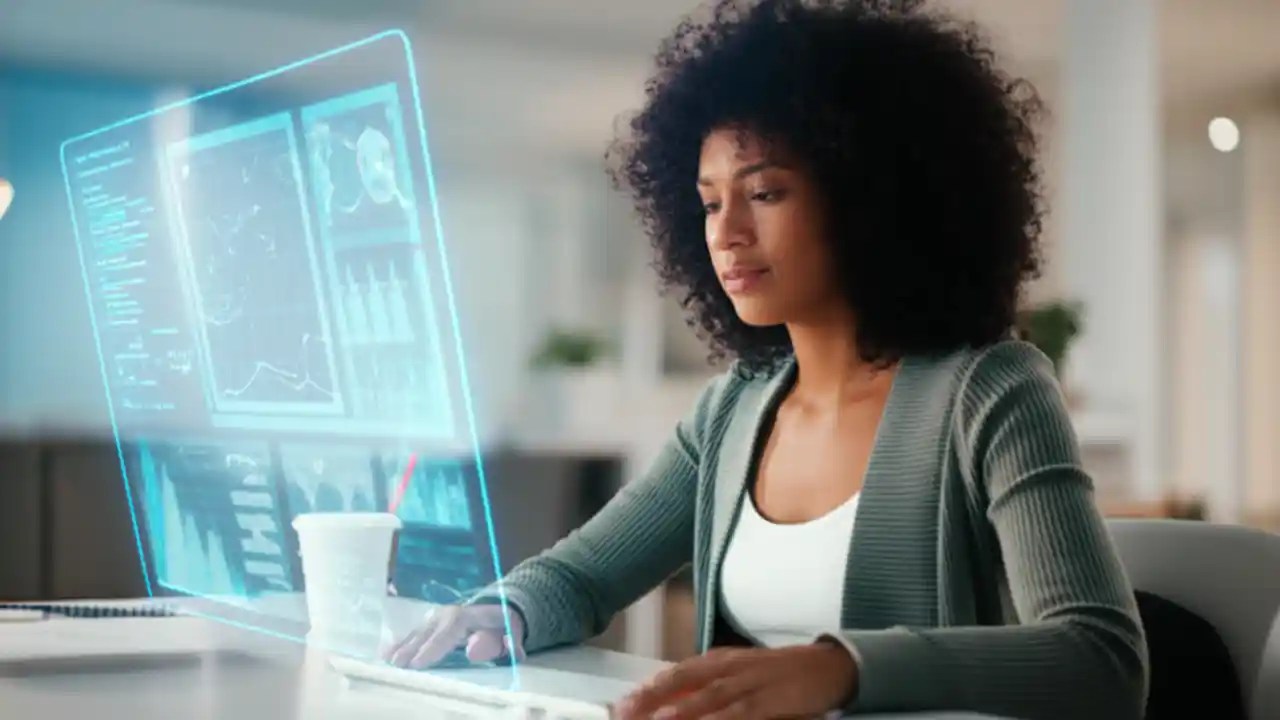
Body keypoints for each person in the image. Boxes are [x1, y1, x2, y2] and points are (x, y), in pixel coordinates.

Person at [386, 1, 1149, 717]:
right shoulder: (734, 409)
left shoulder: (990, 391)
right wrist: (505, 609)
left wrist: (841, 667)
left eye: (767, 193)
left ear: (868, 197)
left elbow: (1101, 660)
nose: (726, 232)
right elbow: (582, 574)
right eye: (711, 202)